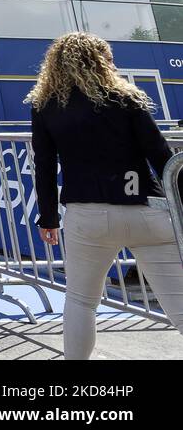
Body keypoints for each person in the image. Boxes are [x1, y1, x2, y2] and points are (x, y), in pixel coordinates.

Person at [26, 31, 183, 359]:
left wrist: (49, 218)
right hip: (146, 210)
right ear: (100, 62)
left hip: (87, 215)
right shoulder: (127, 98)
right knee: (180, 308)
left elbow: (44, 166)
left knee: (81, 302)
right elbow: (162, 157)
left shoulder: (46, 106)